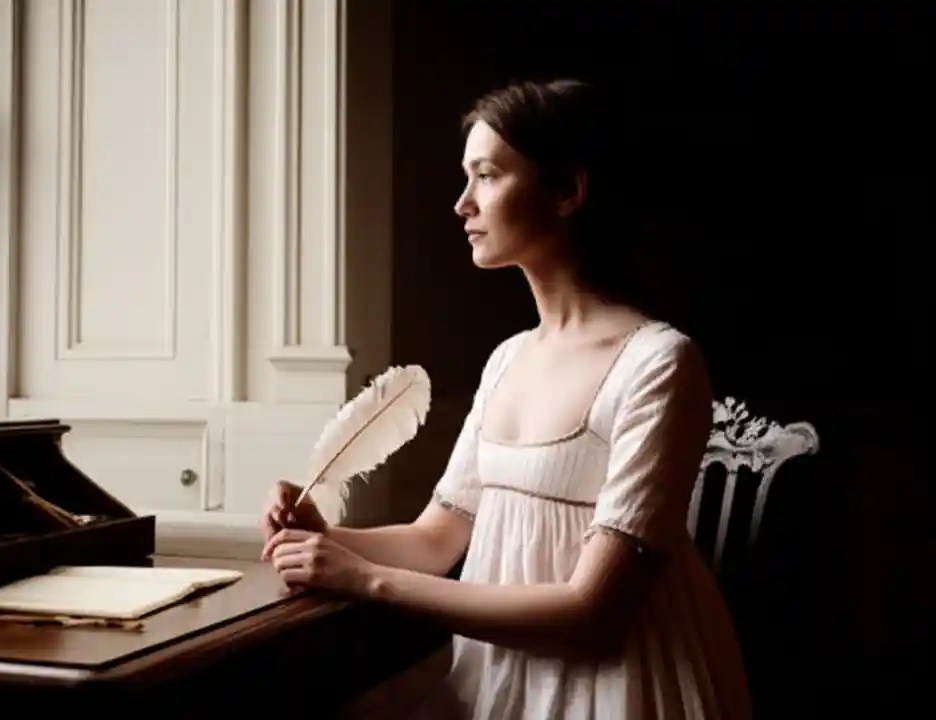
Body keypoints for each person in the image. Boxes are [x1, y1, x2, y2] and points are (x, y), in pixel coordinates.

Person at [259, 78, 752, 720]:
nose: (462, 204)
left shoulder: (659, 363)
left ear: (568, 191)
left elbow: (591, 611)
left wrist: (364, 578)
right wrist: (325, 537)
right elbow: (437, 538)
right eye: (466, 178)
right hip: (502, 673)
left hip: (617, 685)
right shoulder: (508, 360)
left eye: (487, 176)